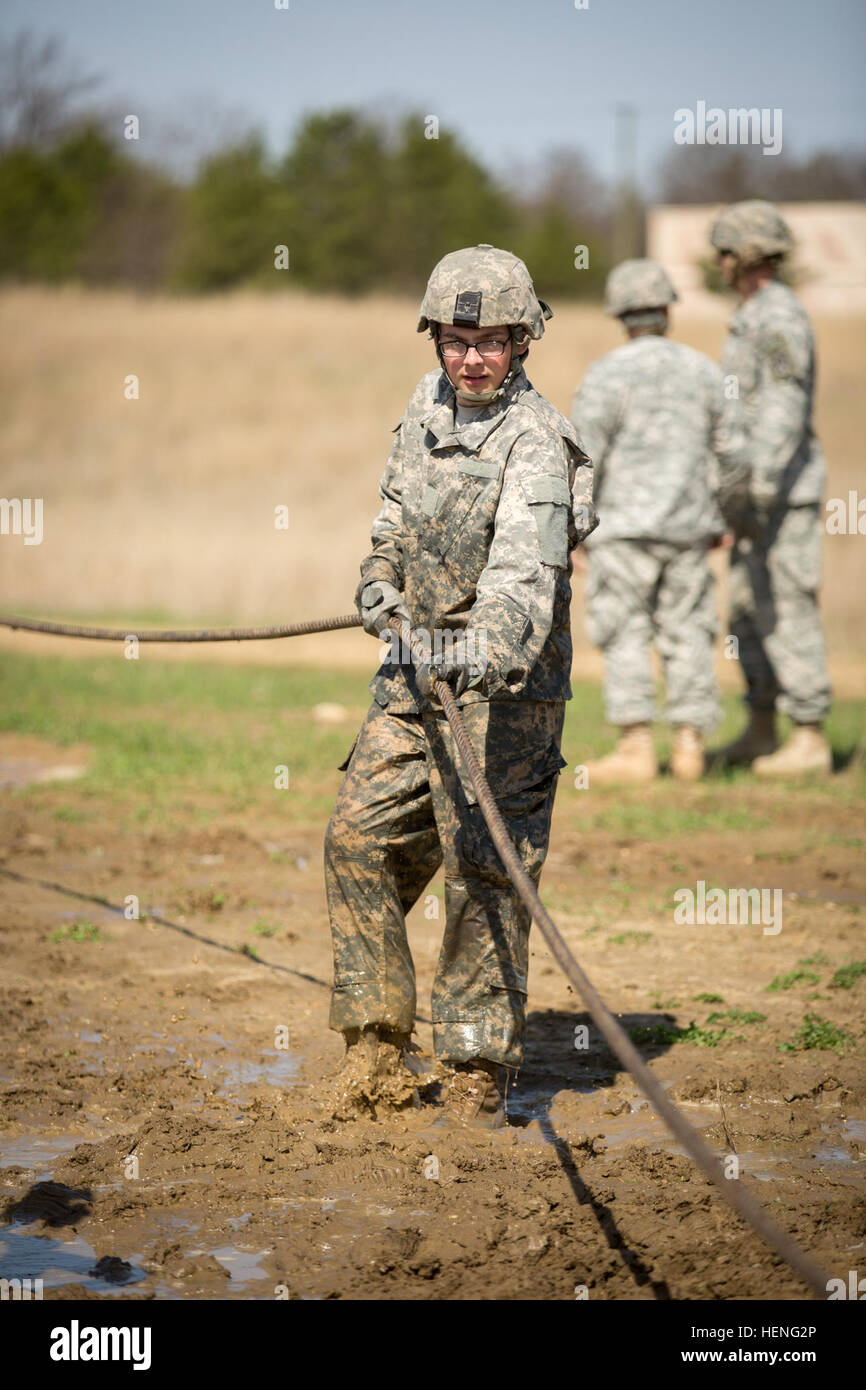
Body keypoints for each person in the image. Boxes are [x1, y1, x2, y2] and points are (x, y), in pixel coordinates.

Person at [323, 244, 597, 1128]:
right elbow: (394, 516)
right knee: (358, 841)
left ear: (523, 342)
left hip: (505, 694)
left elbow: (522, 587)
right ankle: (376, 1046)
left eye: (491, 341)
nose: (471, 357)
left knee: (484, 871)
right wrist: (376, 579)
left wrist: (469, 652)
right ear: (435, 338)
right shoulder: (423, 407)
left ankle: (478, 1066)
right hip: (412, 678)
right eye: (455, 338)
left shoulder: (538, 442)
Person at [570, 259, 749, 783]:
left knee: (626, 632)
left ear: (620, 314)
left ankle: (636, 748)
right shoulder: (705, 371)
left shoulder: (606, 374)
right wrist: (724, 516)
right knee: (688, 632)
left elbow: (583, 459)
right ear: (668, 309)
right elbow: (735, 455)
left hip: (621, 534)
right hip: (690, 531)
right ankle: (691, 747)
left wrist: (574, 532)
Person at [709, 200, 832, 775]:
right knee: (746, 612)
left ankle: (809, 736)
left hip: (780, 495)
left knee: (786, 607)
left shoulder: (778, 315)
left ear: (746, 254)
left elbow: (782, 412)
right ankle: (762, 727)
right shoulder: (754, 313)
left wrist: (758, 491)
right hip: (752, 499)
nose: (720, 262)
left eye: (726, 252)